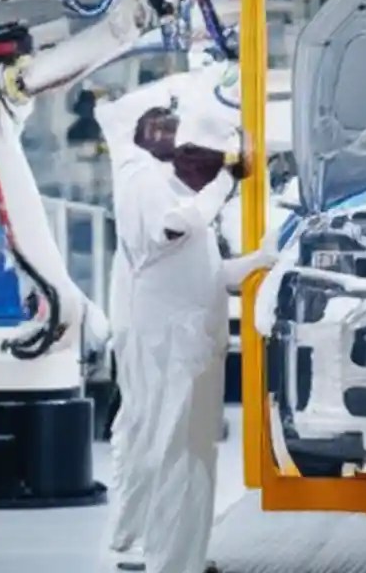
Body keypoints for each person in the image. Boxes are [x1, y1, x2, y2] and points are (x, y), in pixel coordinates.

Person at [117, 111, 277, 573]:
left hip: (193, 350)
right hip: (173, 351)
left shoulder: (186, 203)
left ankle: (181, 559)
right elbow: (176, 227)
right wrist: (225, 183)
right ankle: (170, 564)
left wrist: (260, 259)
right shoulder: (147, 183)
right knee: (177, 459)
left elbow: (214, 275)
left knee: (195, 460)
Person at [95, 88, 180, 570]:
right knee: (145, 429)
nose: (166, 135)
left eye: (170, 127)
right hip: (142, 328)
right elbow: (163, 239)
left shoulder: (156, 178)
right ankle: (135, 536)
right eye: (157, 127)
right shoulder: (139, 177)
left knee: (148, 428)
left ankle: (138, 535)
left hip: (150, 327)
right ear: (139, 134)